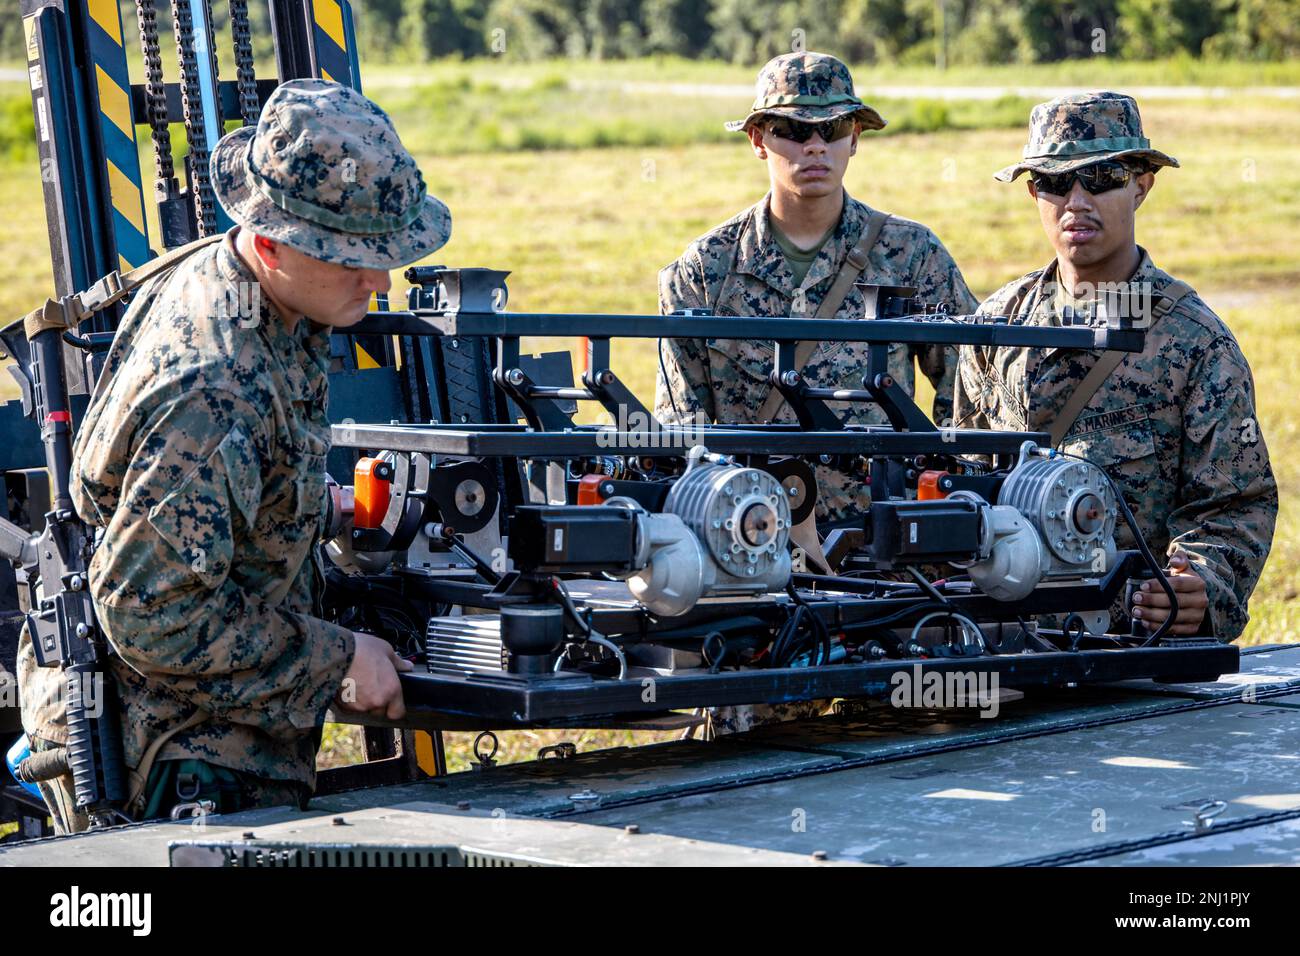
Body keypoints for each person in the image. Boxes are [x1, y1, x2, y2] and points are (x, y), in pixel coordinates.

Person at [18, 78, 452, 831]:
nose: (378, 280)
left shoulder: (258, 293)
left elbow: (222, 496)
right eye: (351, 256)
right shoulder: (215, 387)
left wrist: (317, 507)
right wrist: (339, 660)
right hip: (181, 768)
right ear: (270, 242)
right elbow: (152, 614)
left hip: (210, 738)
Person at [953, 91, 1276, 641]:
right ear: (1034, 191)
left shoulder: (1193, 341)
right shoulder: (997, 326)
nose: (1076, 201)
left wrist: (1199, 585)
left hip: (1128, 646)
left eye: (1100, 178)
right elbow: (964, 475)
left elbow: (1235, 504)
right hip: (1000, 638)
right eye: (1056, 182)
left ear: (1140, 186)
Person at [655, 51, 978, 532]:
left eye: (831, 130)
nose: (814, 147)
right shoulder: (705, 269)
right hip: (745, 540)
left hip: (884, 545)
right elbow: (684, 428)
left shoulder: (911, 253)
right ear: (758, 140)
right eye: (793, 130)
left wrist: (933, 506)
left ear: (855, 139)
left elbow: (969, 392)